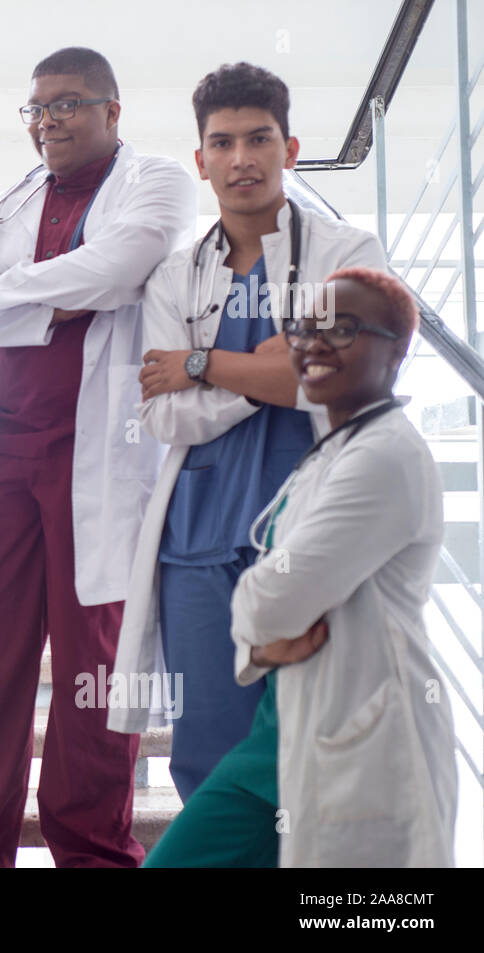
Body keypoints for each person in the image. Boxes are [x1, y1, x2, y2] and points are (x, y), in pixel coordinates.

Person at [0, 47, 196, 868]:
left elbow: (121, 267)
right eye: (37, 109)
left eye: (68, 105)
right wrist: (52, 305)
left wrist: (6, 292)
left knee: (98, 667)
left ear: (113, 111)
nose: (48, 122)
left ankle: (91, 849)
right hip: (2, 451)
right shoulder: (12, 199)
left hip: (98, 449)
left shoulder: (155, 180)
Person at [107, 63, 388, 800]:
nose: (242, 159)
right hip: (197, 540)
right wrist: (270, 364)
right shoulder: (174, 278)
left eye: (259, 139)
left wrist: (202, 362)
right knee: (210, 757)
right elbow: (164, 412)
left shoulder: (348, 253)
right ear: (200, 161)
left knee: (319, 748)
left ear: (289, 149)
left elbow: (340, 380)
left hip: (315, 530)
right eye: (223, 143)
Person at [144, 267, 456, 867]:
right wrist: (263, 645)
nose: (314, 343)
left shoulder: (385, 456)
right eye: (302, 329)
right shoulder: (329, 454)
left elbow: (273, 598)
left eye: (341, 329)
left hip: (366, 732)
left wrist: (263, 624)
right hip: (281, 730)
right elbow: (269, 606)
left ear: (397, 350)